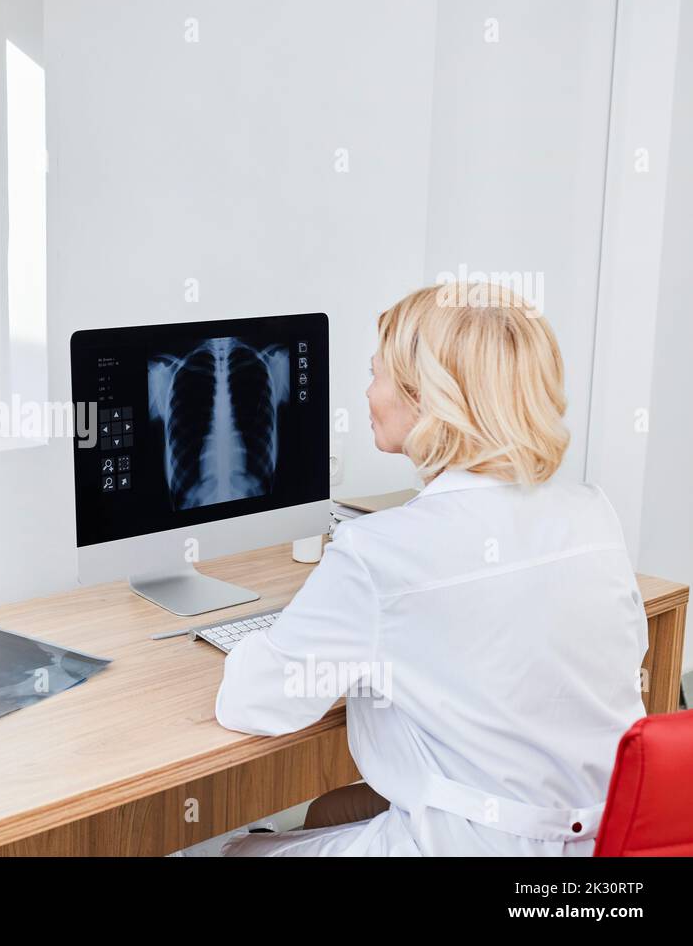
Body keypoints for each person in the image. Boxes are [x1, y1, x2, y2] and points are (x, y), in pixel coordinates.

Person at [215, 282, 647, 856]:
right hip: (605, 839)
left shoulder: (380, 552)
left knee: (232, 850)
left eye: (376, 374)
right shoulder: (593, 513)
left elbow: (253, 702)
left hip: (473, 845)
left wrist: (267, 636)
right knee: (329, 809)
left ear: (426, 398)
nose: (367, 393)